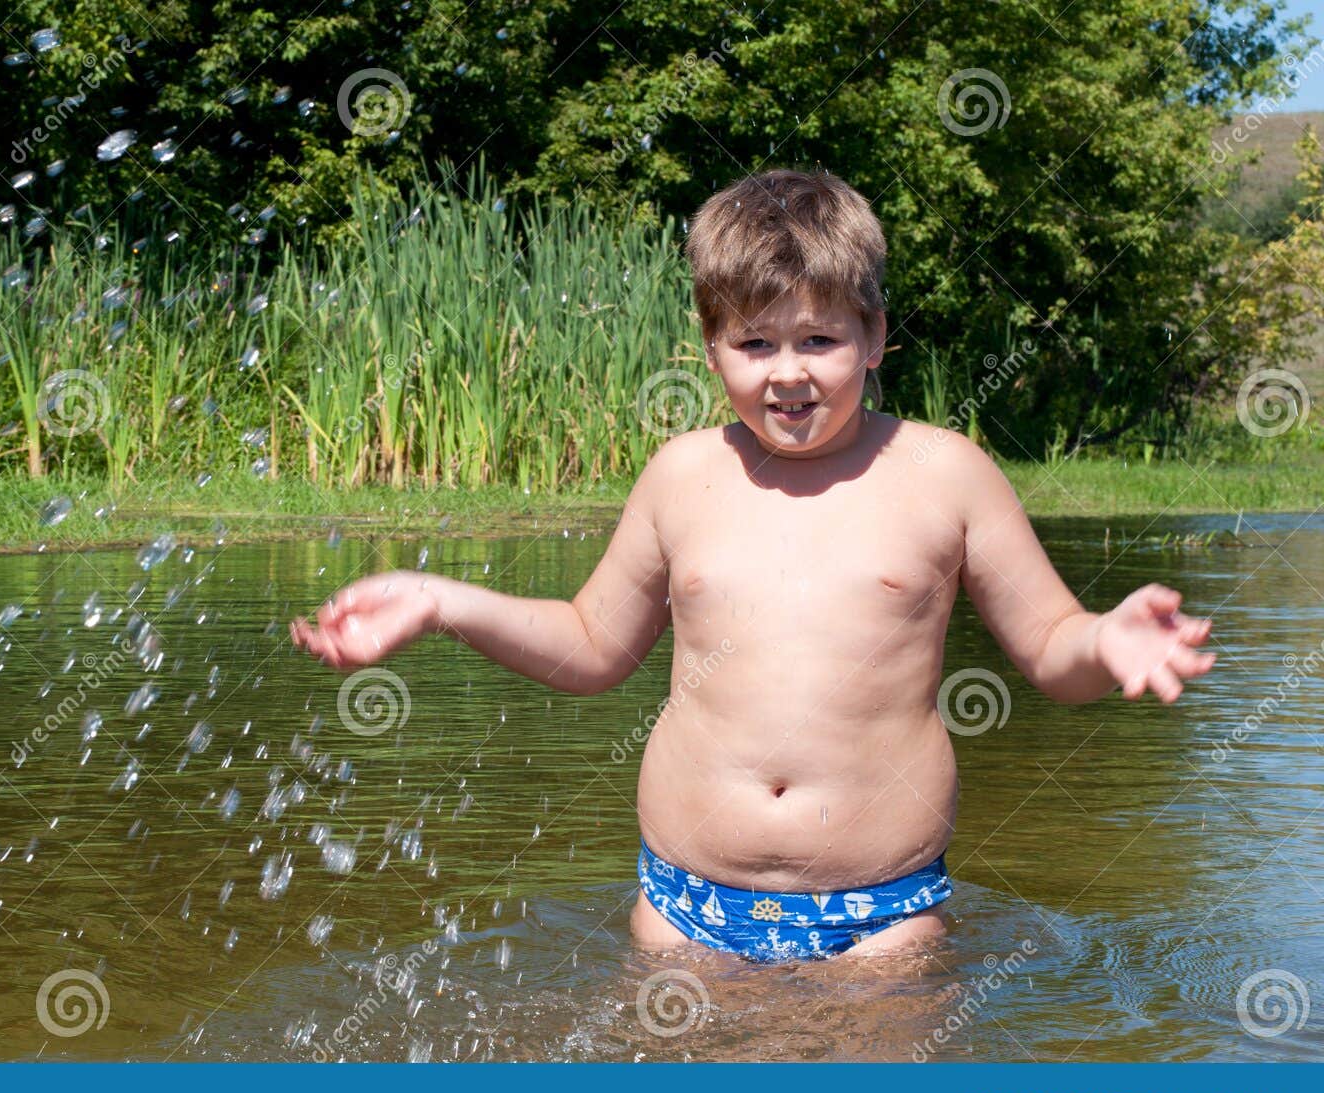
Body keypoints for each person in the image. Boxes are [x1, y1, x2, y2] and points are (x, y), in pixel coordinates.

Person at [289, 168, 1216, 964]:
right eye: (755, 343)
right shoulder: (683, 475)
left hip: (877, 920)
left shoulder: (946, 474)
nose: (789, 374)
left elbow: (1051, 647)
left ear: (875, 335)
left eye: (820, 340)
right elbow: (589, 646)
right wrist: (440, 597)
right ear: (710, 346)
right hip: (684, 909)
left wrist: (1105, 638)